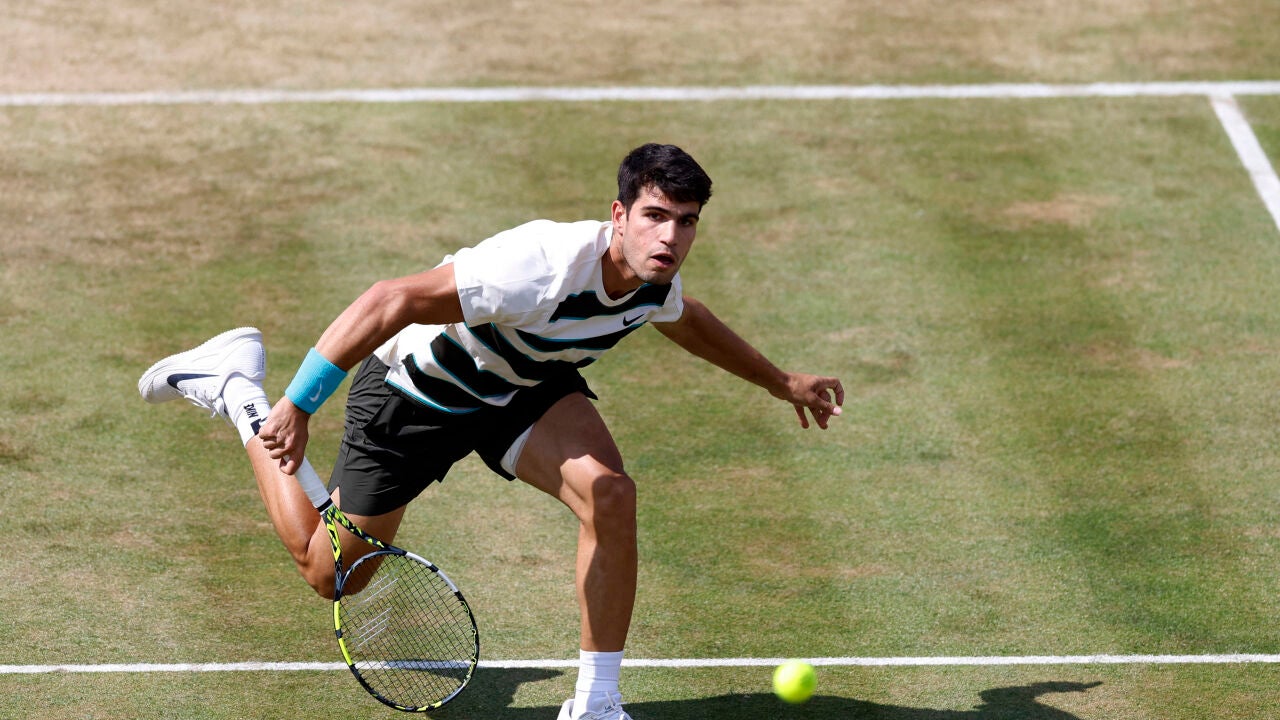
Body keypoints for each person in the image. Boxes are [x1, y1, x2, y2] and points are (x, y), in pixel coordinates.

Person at [139, 143, 844, 720]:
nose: (671, 237)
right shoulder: (536, 267)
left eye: (686, 221)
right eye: (656, 216)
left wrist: (784, 383)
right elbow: (392, 299)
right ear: (618, 214)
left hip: (519, 391)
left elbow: (687, 321)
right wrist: (299, 403)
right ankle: (238, 389)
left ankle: (596, 705)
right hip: (416, 395)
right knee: (332, 573)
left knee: (611, 496)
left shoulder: (656, 278)